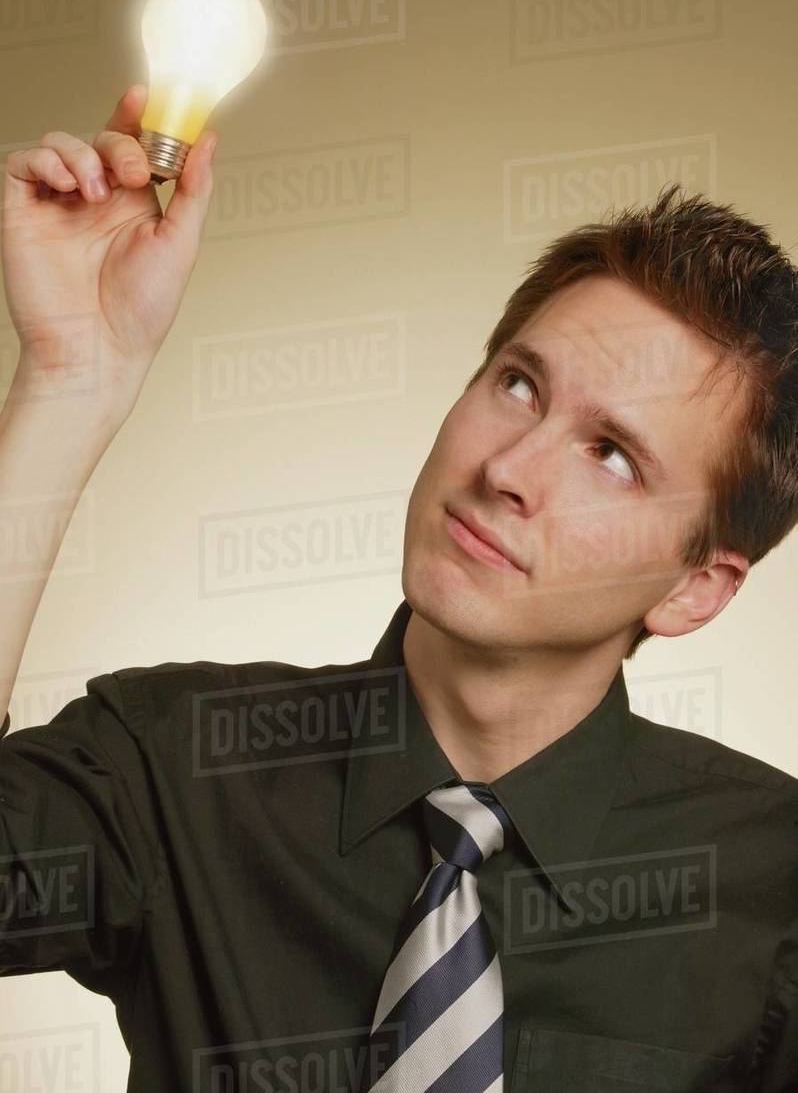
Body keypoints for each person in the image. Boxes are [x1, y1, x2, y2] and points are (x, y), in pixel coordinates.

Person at [0, 87, 795, 1092]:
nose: (510, 466)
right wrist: (68, 384)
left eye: (612, 455)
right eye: (519, 384)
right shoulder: (171, 761)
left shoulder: (773, 884)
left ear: (694, 589)